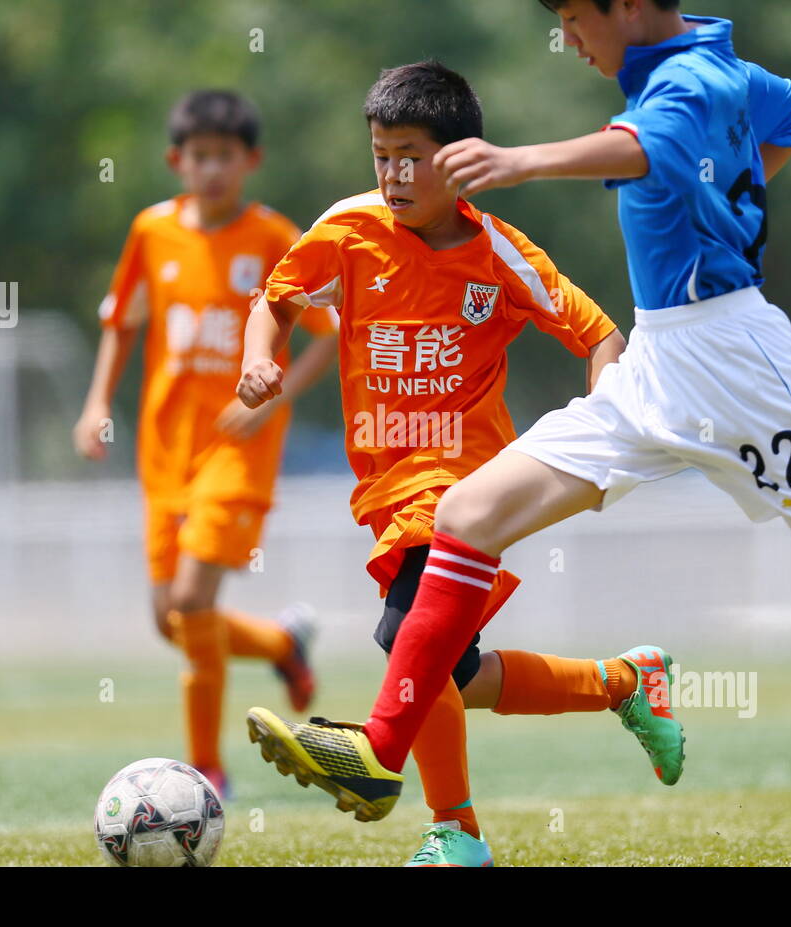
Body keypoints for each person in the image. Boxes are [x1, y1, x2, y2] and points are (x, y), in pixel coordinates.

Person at [238, 0, 791, 834]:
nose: (568, 38)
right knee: (467, 515)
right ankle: (383, 754)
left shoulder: (687, 78)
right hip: (660, 358)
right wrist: (727, 204)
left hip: (738, 366)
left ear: (627, 7)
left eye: (574, 19)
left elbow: (644, 147)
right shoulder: (716, 66)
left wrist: (520, 161)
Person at [238, 61, 692, 867]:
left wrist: (604, 423)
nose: (393, 174)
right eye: (381, 155)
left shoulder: (501, 257)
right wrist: (258, 360)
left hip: (465, 488)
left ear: (460, 158)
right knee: (450, 668)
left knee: (409, 638)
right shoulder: (348, 228)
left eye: (411, 155)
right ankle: (624, 682)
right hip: (381, 484)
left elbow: (600, 335)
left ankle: (452, 827)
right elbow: (275, 296)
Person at [73, 89, 339, 798]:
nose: (213, 169)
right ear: (176, 161)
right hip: (166, 453)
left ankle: (206, 771)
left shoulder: (275, 238)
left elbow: (329, 334)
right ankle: (283, 645)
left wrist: (271, 396)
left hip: (238, 448)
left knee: (192, 599)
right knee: (171, 620)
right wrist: (98, 402)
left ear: (250, 160)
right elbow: (121, 323)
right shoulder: (152, 231)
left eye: (227, 156)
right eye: (200, 157)